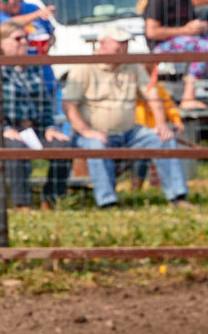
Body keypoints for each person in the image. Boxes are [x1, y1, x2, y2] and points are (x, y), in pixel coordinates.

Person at [61, 25, 188, 207]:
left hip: (130, 132)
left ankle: (177, 197)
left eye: (126, 43)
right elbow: (68, 104)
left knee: (163, 139)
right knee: (95, 146)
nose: (123, 47)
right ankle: (107, 202)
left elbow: (152, 94)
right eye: (118, 43)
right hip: (93, 132)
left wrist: (161, 124)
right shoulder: (83, 67)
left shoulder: (133, 65)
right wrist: (87, 131)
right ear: (102, 43)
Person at [0, 21, 73, 210]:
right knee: (15, 149)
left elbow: (45, 102)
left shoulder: (34, 67)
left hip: (34, 127)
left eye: (26, 38)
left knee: (63, 147)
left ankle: (51, 199)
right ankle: (23, 205)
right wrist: (4, 128)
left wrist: (49, 127)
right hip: (2, 128)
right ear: (2, 43)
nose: (23, 42)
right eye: (17, 39)